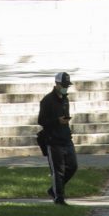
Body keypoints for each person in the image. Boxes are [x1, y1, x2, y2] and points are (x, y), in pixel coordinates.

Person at [35, 72, 76, 205]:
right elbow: (41, 121)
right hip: (53, 140)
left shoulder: (65, 99)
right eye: (63, 85)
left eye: (67, 86)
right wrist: (57, 121)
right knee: (58, 171)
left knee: (72, 166)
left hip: (66, 138)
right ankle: (59, 198)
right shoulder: (47, 100)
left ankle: (54, 190)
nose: (65, 88)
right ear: (57, 84)